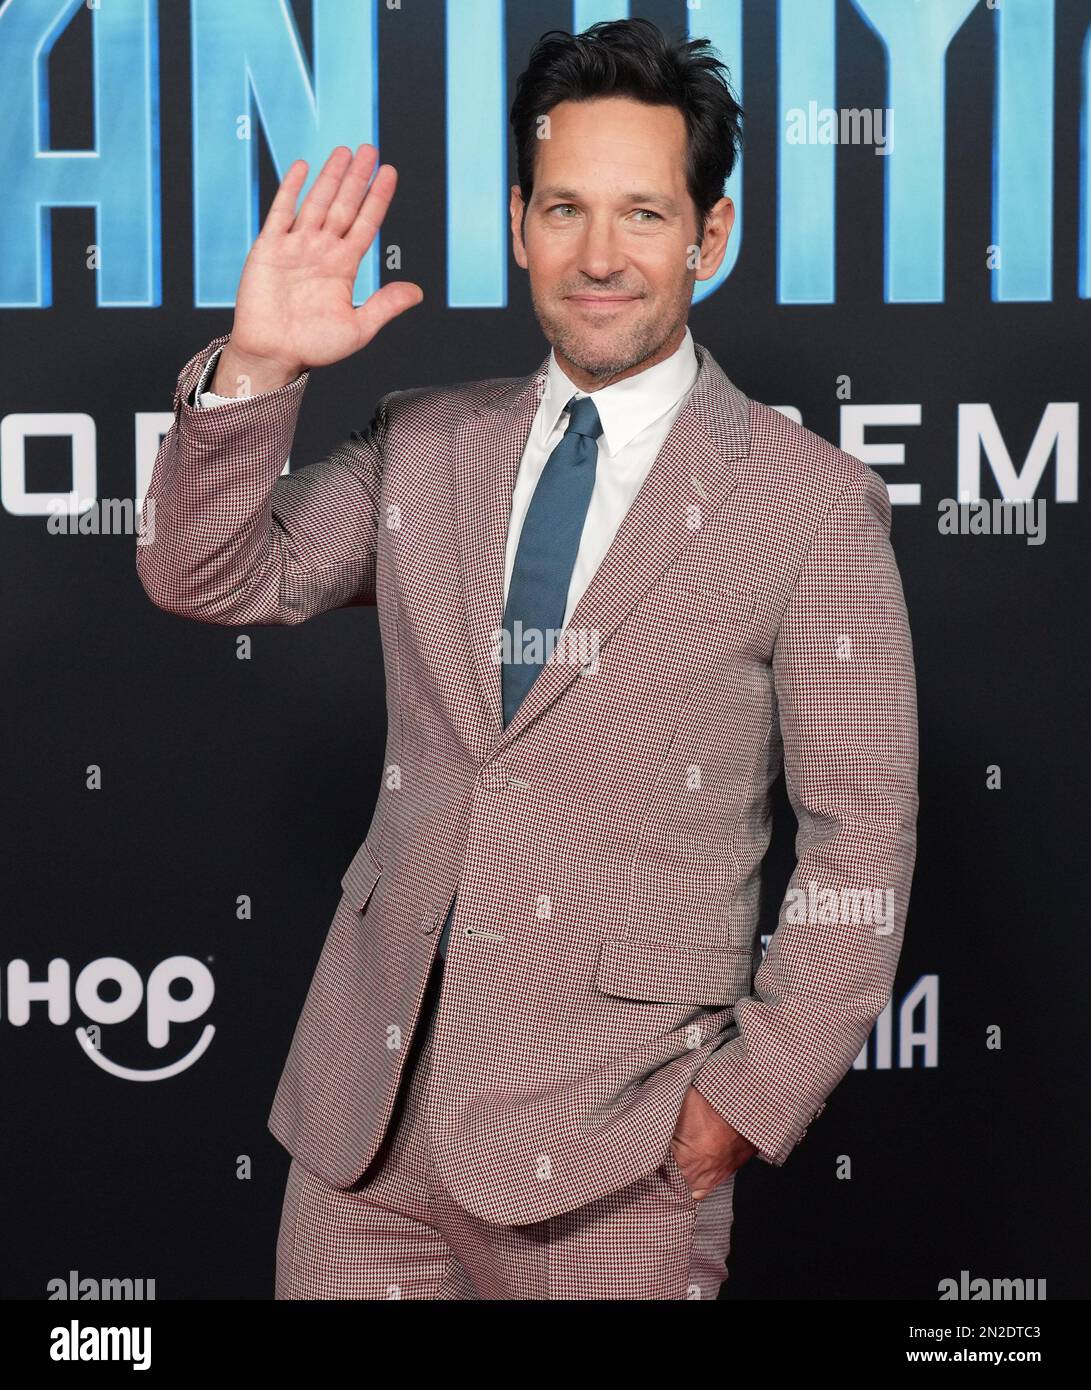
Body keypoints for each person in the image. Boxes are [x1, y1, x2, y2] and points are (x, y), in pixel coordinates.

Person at [137, 18, 918, 1300]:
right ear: (516, 224)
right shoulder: (424, 444)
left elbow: (860, 831)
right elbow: (205, 572)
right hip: (364, 1136)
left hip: (617, 1153)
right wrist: (260, 364)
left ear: (705, 237)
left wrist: (751, 1093)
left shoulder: (809, 506)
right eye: (563, 209)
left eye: (642, 214)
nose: (597, 256)